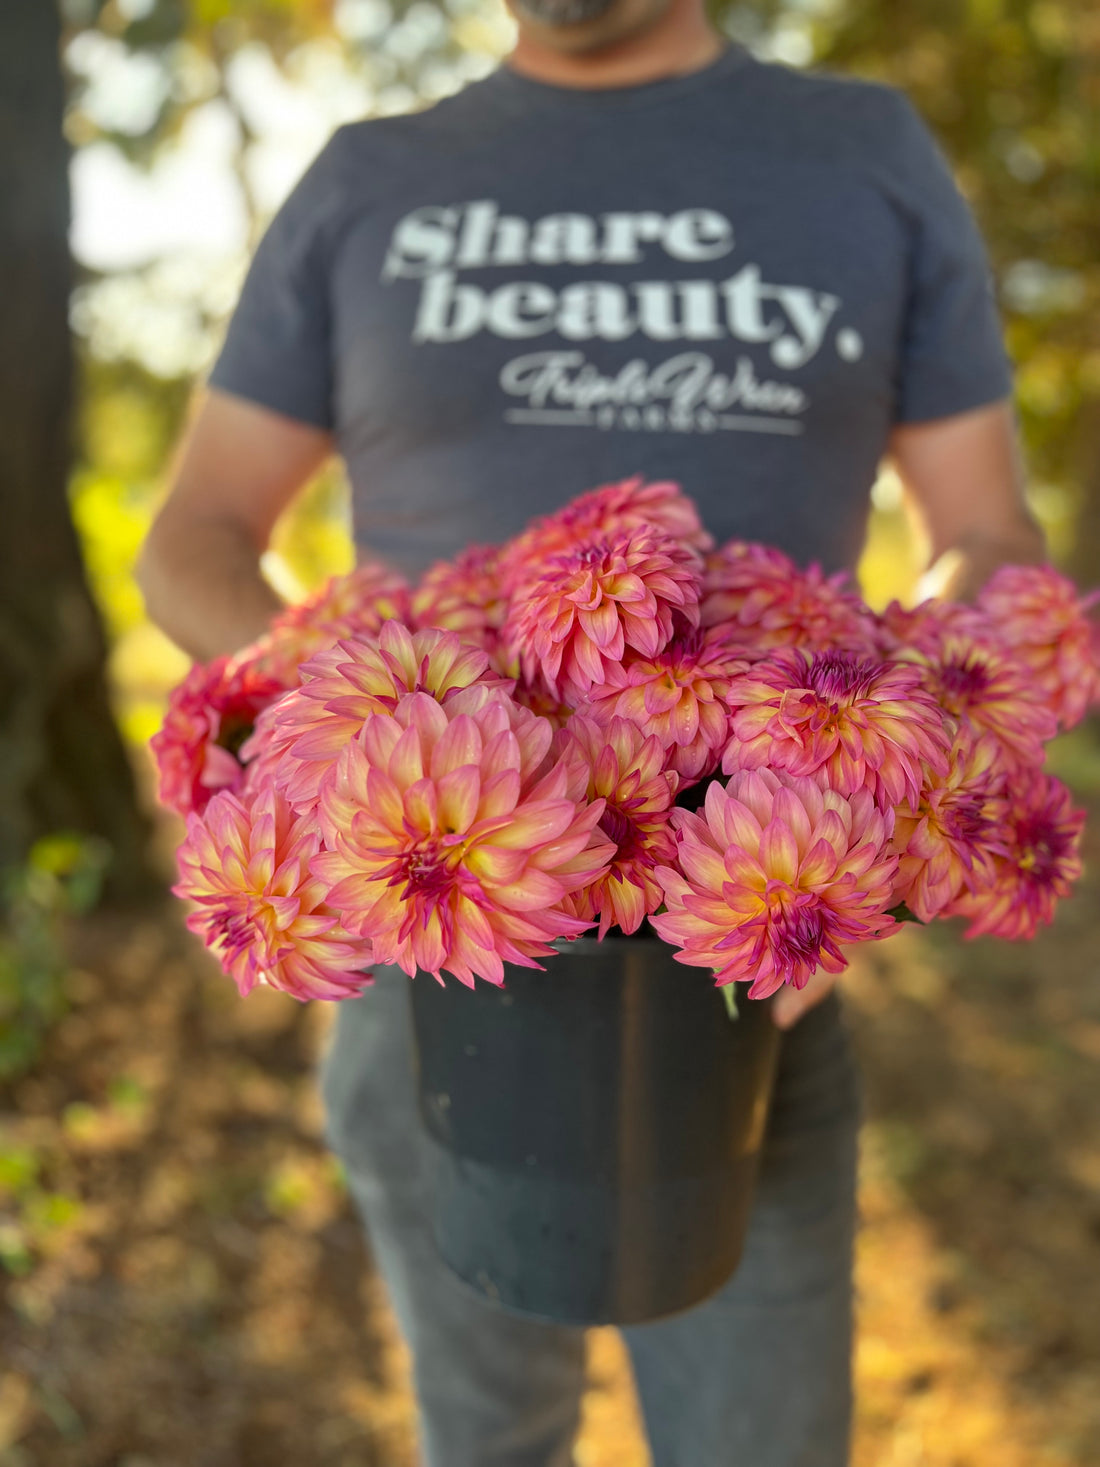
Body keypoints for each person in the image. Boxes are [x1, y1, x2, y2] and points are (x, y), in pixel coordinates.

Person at [138, 0, 1045, 1461]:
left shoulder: (861, 149)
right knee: (487, 1434)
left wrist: (897, 745)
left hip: (752, 965)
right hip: (420, 950)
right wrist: (333, 713)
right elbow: (197, 530)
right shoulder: (372, 175)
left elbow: (988, 527)